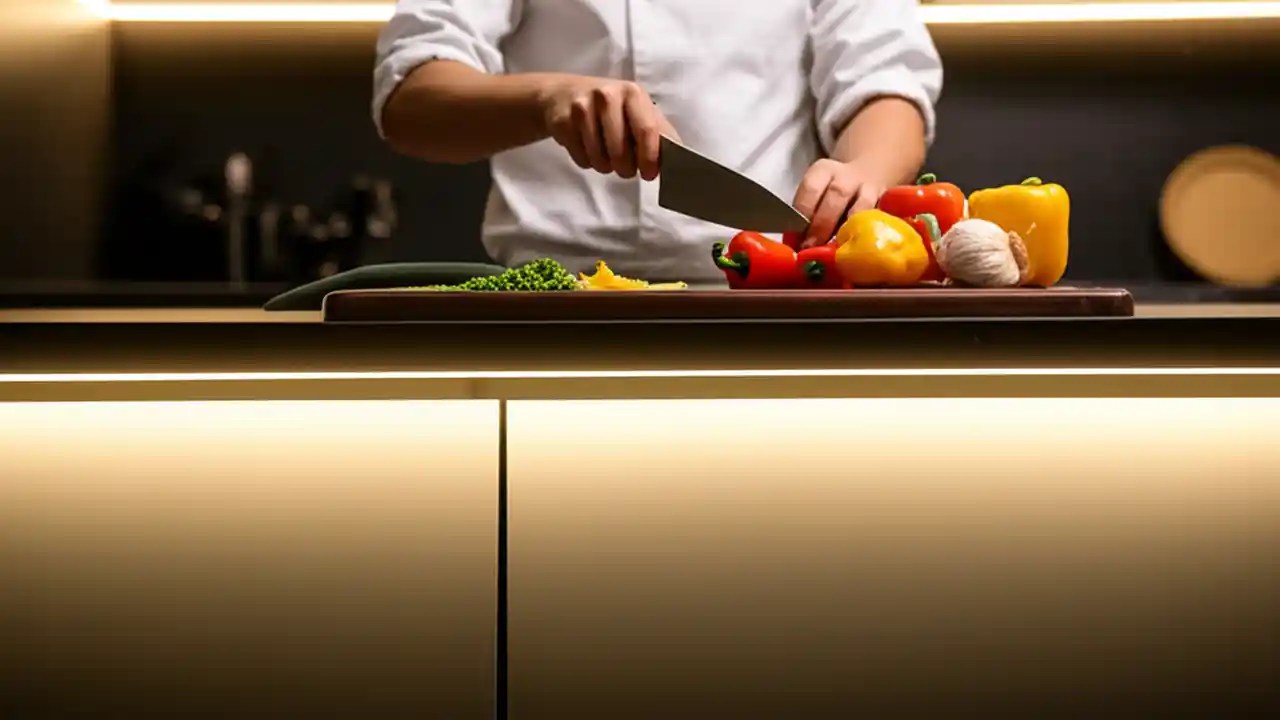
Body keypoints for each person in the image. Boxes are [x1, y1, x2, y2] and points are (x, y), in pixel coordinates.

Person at [374, 1, 942, 283]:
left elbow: (884, 80)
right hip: (552, 307)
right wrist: (547, 98)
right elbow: (415, 96)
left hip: (767, 301)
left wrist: (866, 169)